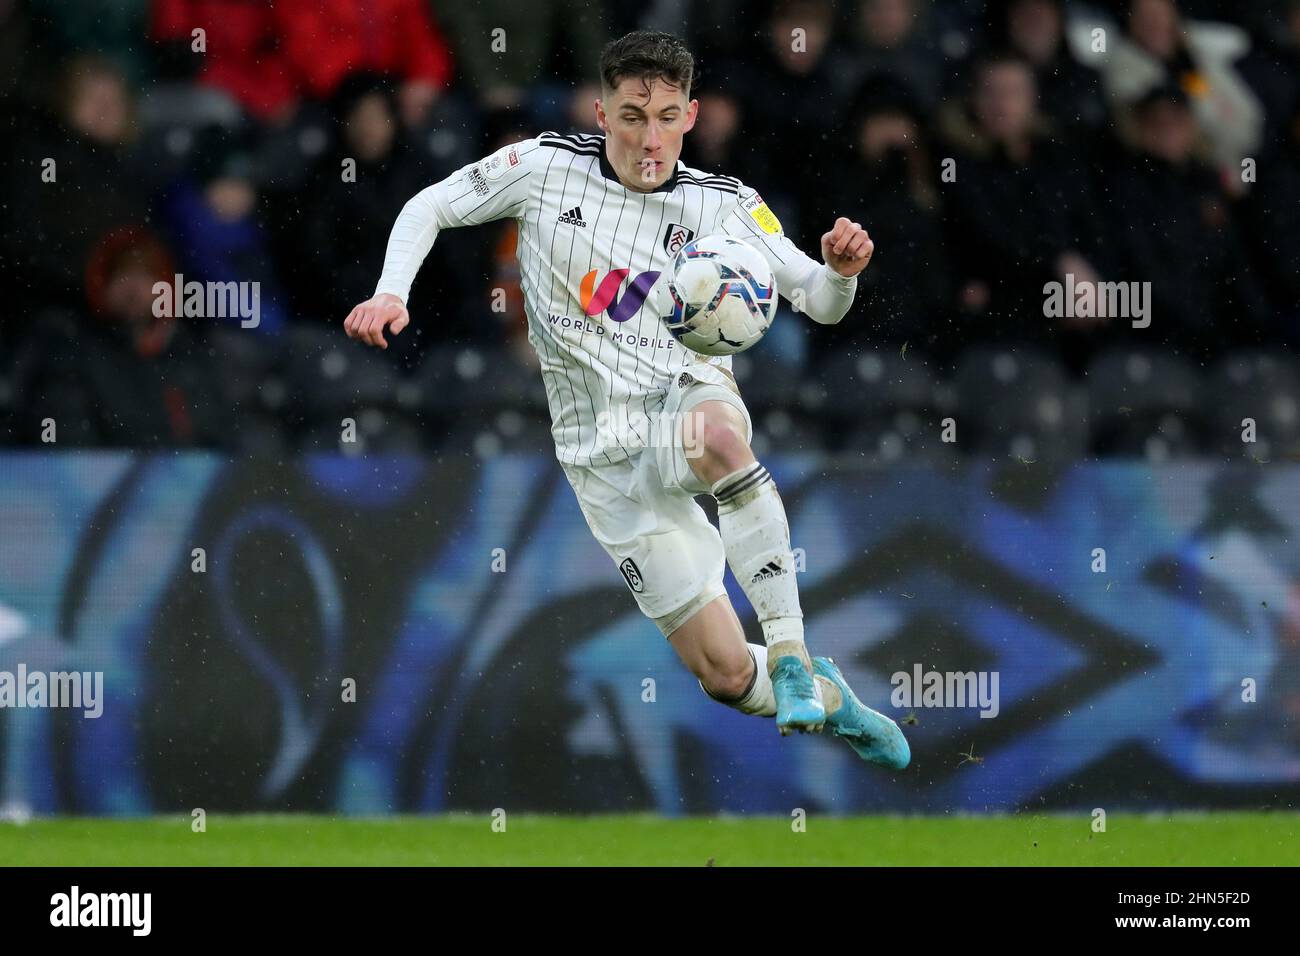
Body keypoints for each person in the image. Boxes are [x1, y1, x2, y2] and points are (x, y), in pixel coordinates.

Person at [342, 30, 909, 767]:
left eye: (668, 116)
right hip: (600, 456)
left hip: (685, 397)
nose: (651, 137)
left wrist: (839, 273)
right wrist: (392, 292)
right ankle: (833, 700)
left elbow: (817, 299)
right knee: (727, 674)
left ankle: (796, 653)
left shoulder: (725, 206)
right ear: (603, 113)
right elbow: (431, 206)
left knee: (717, 440)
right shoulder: (542, 168)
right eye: (634, 116)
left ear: (692, 116)